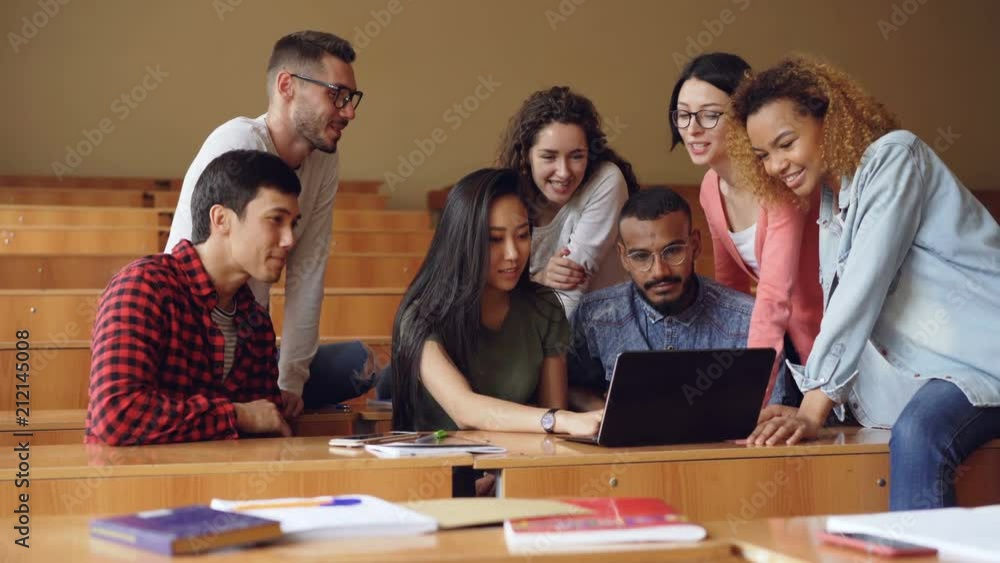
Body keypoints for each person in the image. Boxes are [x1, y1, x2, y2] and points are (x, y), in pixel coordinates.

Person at [729, 55, 1000, 510]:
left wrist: (816, 405)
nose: (775, 165)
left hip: (981, 361)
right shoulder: (832, 203)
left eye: (786, 143)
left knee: (919, 431)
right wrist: (816, 406)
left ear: (828, 119)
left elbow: (863, 287)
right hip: (937, 373)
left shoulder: (895, 156)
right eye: (763, 156)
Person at [164, 31, 374, 419]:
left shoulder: (325, 159)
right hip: (201, 339)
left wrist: (290, 379)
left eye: (351, 99)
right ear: (286, 86)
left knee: (361, 362)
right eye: (337, 95)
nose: (349, 112)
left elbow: (307, 269)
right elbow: (197, 266)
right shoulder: (239, 143)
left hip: (253, 339)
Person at [86, 150, 301, 445]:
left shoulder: (256, 320)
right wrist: (238, 415)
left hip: (220, 485)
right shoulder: (145, 286)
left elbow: (262, 426)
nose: (289, 240)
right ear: (221, 219)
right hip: (132, 487)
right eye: (275, 220)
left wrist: (273, 412)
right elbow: (116, 416)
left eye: (293, 224)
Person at [390, 167, 602, 436]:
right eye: (495, 240)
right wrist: (561, 420)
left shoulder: (543, 306)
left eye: (523, 235)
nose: (513, 253)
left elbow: (553, 411)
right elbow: (464, 409)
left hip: (517, 461)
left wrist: (561, 420)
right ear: (463, 241)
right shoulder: (420, 316)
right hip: (444, 466)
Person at [669, 52, 823, 407]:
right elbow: (730, 290)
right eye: (683, 114)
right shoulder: (711, 187)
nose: (693, 128)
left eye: (710, 115)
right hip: (785, 353)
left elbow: (772, 300)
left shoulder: (780, 186)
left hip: (829, 347)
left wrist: (746, 400)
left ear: (742, 118)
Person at [569, 187, 756, 410]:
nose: (659, 272)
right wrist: (606, 415)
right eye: (640, 256)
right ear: (624, 257)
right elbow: (570, 387)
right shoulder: (593, 315)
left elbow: (772, 411)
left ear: (695, 245)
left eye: (672, 251)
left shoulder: (747, 320)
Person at [497, 86, 641, 319]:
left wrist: (526, 287)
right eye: (549, 157)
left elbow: (569, 295)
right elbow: (489, 290)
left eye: (576, 156)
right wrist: (540, 278)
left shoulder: (605, 180)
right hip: (535, 333)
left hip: (602, 332)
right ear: (526, 155)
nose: (564, 173)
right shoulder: (507, 199)